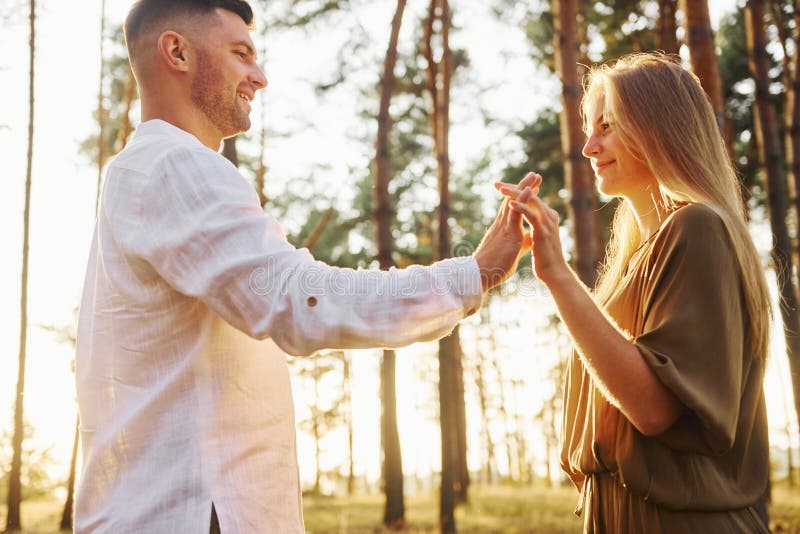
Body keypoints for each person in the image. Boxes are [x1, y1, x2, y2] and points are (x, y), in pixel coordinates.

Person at [74, 1, 537, 532]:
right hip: (197, 514)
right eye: (241, 54)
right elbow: (301, 300)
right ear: (176, 51)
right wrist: (474, 273)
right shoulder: (174, 166)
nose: (260, 76)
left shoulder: (144, 170)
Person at [498, 53, 771, 533]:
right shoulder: (634, 261)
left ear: (660, 128)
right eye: (589, 130)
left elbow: (654, 409)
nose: (588, 148)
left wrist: (558, 276)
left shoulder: (697, 228)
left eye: (607, 127)